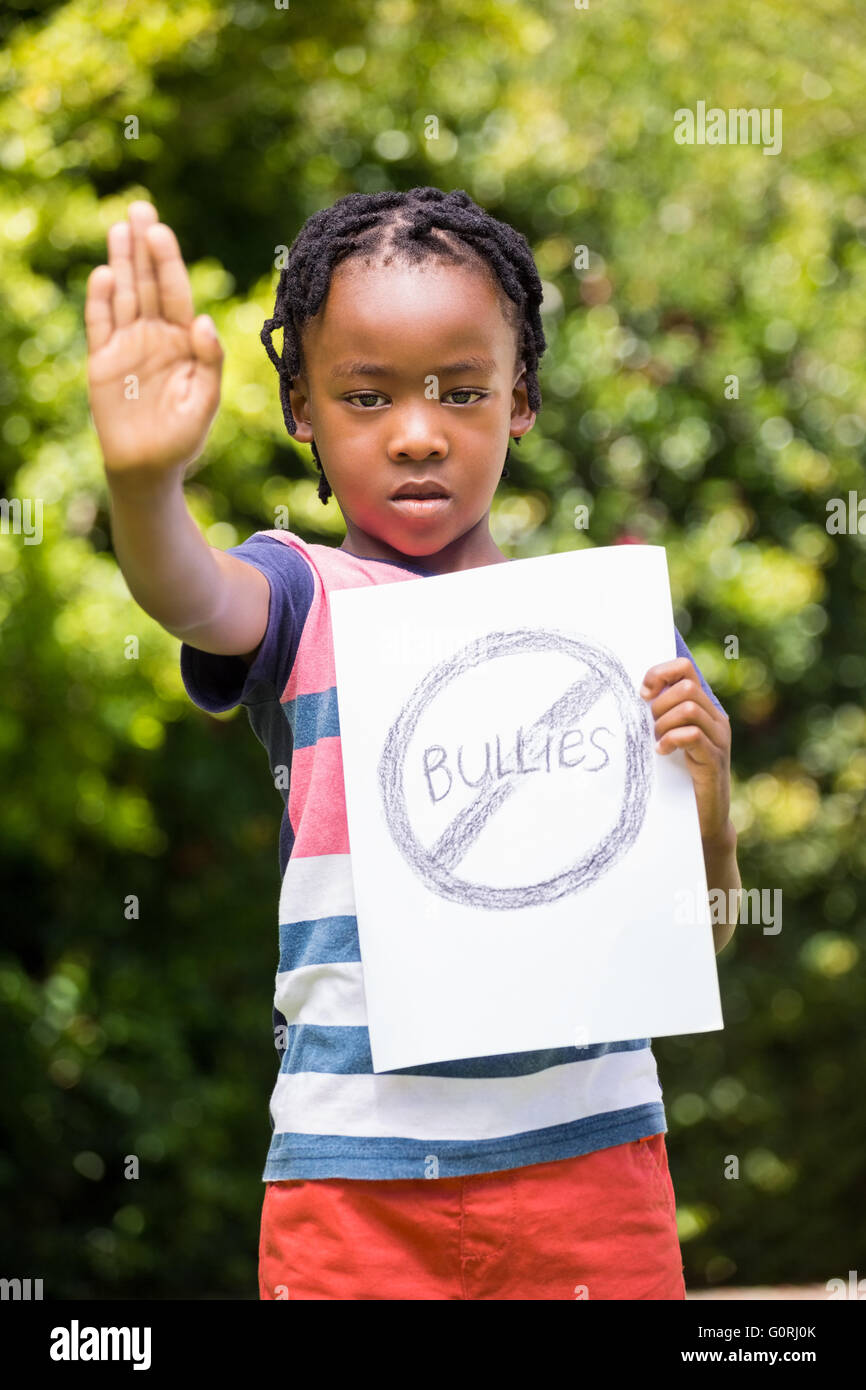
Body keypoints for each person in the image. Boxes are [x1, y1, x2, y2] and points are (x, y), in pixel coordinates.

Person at [86, 185, 741, 1301]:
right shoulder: (301, 593)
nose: (419, 432)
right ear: (301, 407)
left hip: (592, 1171)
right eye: (365, 396)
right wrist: (147, 486)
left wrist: (713, 809)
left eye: (462, 391)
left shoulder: (607, 636)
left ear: (520, 399)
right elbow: (190, 592)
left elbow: (700, 935)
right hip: (355, 1184)